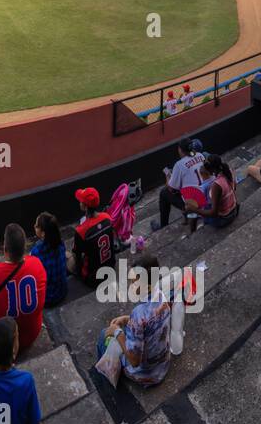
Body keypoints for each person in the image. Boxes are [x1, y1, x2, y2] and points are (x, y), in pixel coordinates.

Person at [96, 254, 173, 387]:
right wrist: (127, 319)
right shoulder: (161, 295)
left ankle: (105, 378)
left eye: (134, 282)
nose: (131, 286)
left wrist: (117, 332)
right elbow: (150, 322)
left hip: (146, 375)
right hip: (162, 364)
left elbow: (134, 360)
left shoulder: (138, 314)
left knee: (104, 335)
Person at [0, 223, 47, 351]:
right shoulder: (36, 263)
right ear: (24, 246)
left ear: (5, 249)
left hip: (4, 343)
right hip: (32, 334)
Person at [154, 138, 204, 230]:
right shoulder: (200, 155)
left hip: (195, 205)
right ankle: (187, 215)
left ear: (180, 149)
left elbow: (171, 188)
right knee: (183, 186)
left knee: (164, 193)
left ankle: (163, 226)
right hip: (205, 198)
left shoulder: (179, 164)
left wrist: (167, 175)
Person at [71, 188, 116, 285]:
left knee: (69, 257)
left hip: (93, 278)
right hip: (111, 269)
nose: (79, 202)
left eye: (81, 201)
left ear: (85, 206)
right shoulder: (107, 217)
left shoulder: (81, 230)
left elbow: (77, 256)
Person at [30, 212, 68, 307]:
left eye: (37, 225)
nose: (34, 226)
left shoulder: (37, 251)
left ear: (43, 233)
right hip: (62, 291)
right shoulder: (61, 244)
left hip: (47, 298)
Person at [191, 154, 238, 228]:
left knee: (201, 205)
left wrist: (194, 210)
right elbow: (234, 187)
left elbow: (213, 213)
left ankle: (204, 223)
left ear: (209, 169)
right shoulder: (229, 170)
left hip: (224, 219)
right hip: (234, 211)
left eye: (205, 165)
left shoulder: (216, 185)